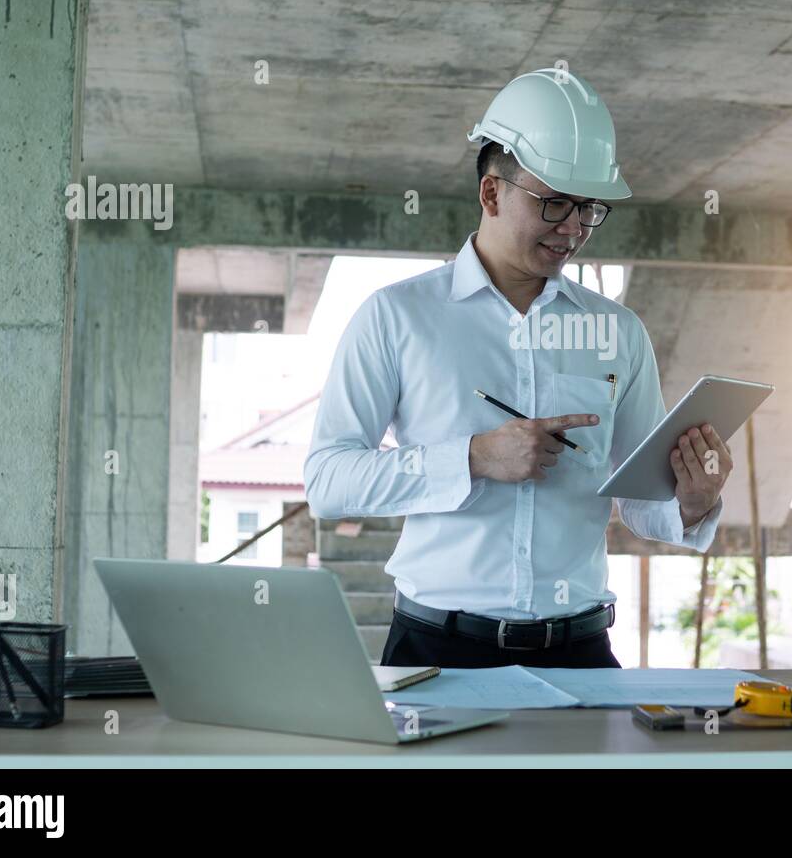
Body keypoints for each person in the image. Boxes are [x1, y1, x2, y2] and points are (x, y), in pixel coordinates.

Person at [305, 68, 732, 668]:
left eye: (587, 208)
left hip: (581, 652)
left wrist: (691, 501)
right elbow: (329, 481)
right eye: (554, 203)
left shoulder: (619, 334)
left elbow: (640, 503)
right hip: (437, 649)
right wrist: (475, 457)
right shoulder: (395, 318)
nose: (574, 229)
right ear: (491, 193)